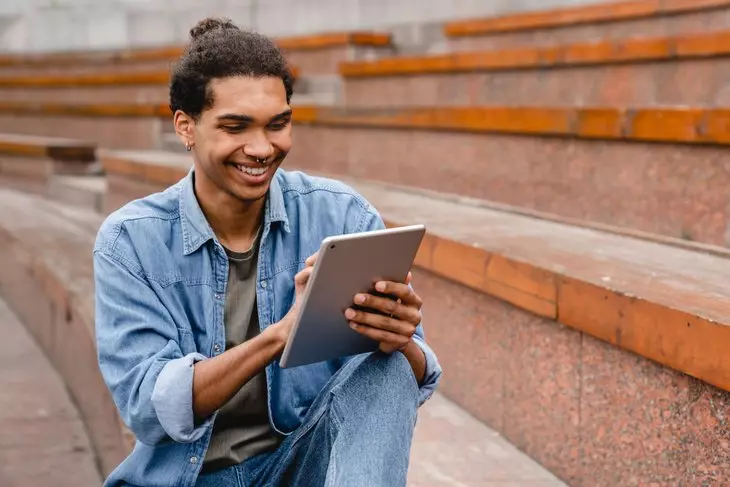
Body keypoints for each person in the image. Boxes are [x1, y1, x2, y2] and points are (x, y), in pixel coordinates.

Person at [93, 17, 442, 487]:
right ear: (186, 126)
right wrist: (279, 337)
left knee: (387, 370)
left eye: (278, 125)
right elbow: (148, 407)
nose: (262, 148)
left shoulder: (340, 215)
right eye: (236, 127)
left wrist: (400, 340)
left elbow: (419, 373)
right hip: (191, 479)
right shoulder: (131, 241)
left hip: (301, 466)